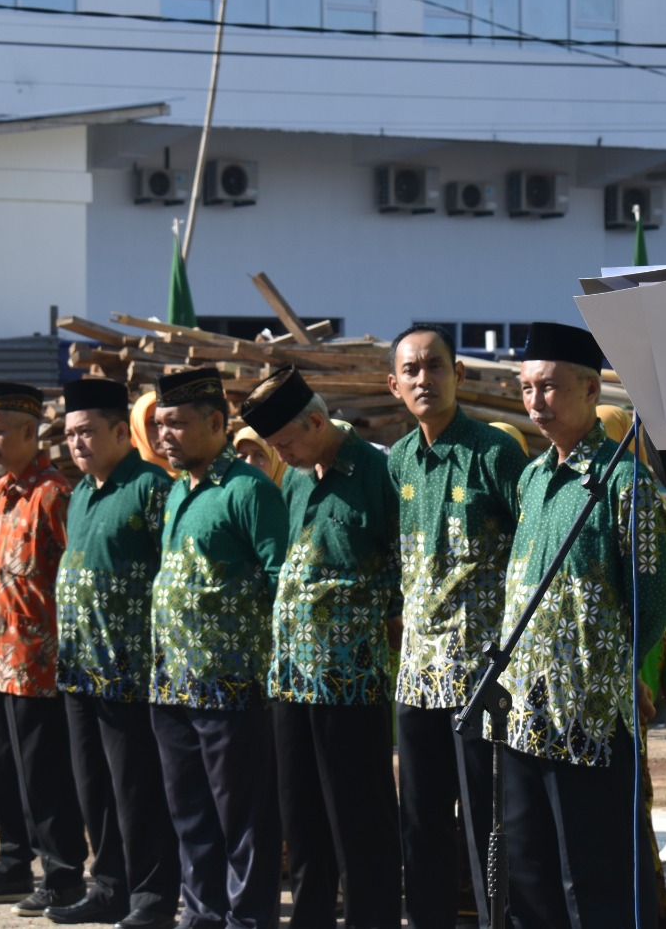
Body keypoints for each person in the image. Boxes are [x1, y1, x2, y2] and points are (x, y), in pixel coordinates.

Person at [499, 322, 666, 929]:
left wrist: (617, 668)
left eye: (548, 387)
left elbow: (652, 597)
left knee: (593, 878)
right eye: (526, 388)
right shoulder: (531, 477)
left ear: (590, 389)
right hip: (523, 711)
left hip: (589, 713)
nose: (535, 402)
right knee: (531, 872)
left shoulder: (625, 481)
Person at [239, 366, 402, 929]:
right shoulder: (298, 477)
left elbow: (402, 569)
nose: (281, 455)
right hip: (292, 679)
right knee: (302, 819)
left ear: (315, 422)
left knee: (360, 823)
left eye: (285, 443)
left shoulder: (378, 472)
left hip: (351, 681)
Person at [385, 325, 528, 929]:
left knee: (485, 822)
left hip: (480, 676)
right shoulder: (397, 460)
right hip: (418, 675)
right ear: (393, 385)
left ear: (459, 374)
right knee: (420, 821)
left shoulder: (495, 454)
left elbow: (530, 552)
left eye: (435, 366)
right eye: (411, 370)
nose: (425, 379)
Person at [150, 368, 289, 929]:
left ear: (215, 423)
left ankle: (249, 918)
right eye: (160, 424)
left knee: (243, 816)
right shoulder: (177, 492)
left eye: (177, 424)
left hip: (232, 685)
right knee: (189, 812)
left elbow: (281, 580)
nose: (164, 436)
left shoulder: (248, 491)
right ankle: (202, 914)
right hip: (172, 684)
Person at [0, 383, 89, 915]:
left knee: (44, 775)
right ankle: (12, 864)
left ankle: (63, 874)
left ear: (31, 433)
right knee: (2, 771)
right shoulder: (0, 492)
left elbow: (74, 576)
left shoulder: (53, 494)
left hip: (38, 663)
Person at [51, 378, 180, 928]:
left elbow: (171, 571)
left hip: (130, 670)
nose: (76, 443)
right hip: (79, 668)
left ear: (121, 431)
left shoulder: (151, 487)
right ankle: (108, 886)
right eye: (69, 435)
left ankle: (152, 896)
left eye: (86, 432)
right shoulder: (81, 492)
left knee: (136, 789)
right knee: (94, 788)